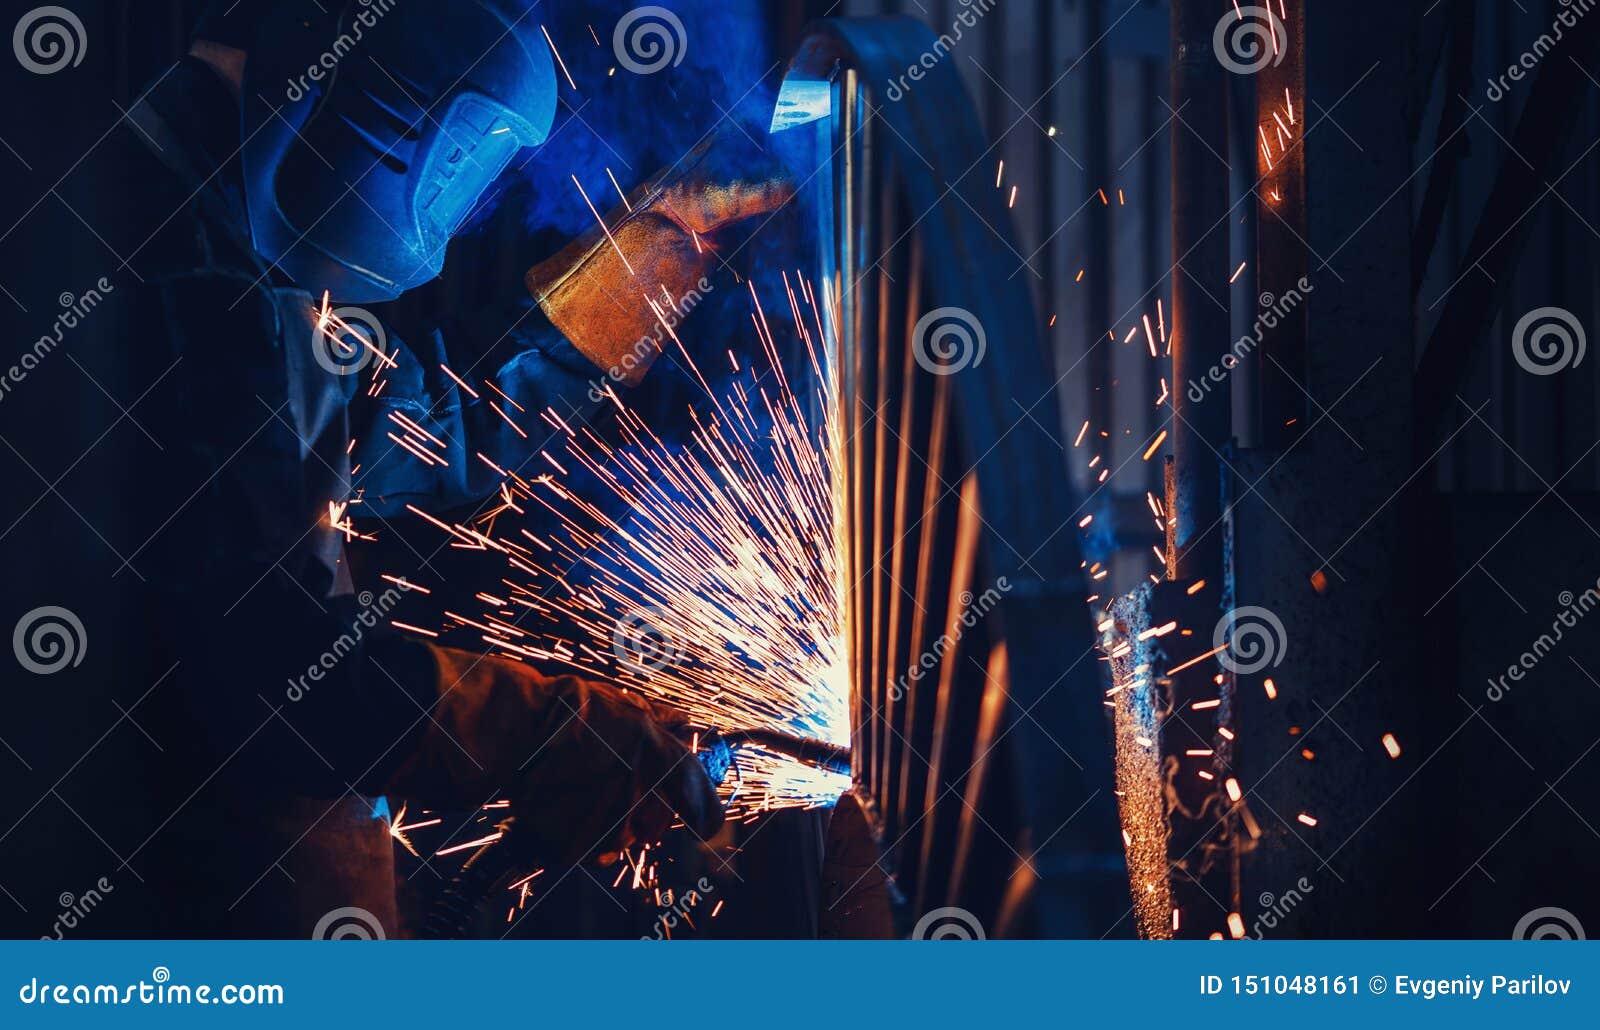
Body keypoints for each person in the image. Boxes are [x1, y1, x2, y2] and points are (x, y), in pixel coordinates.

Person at [20, 0, 790, 937]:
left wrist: (662, 244)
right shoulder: (163, 282)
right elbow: (269, 682)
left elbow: (434, 427)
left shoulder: (233, 255)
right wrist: (532, 728)